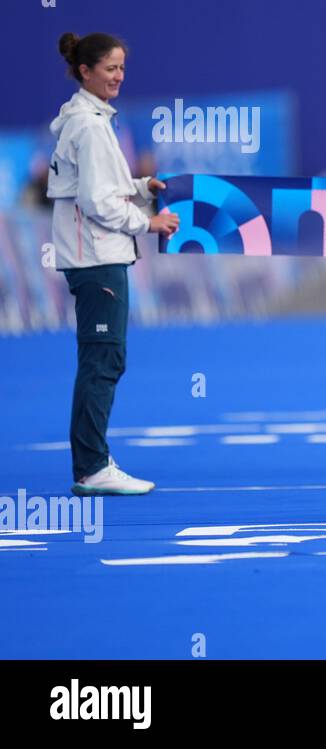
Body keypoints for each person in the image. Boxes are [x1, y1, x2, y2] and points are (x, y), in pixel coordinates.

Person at [47, 32, 179, 496]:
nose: (119, 76)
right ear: (86, 71)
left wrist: (142, 187)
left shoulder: (86, 119)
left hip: (94, 254)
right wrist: (149, 222)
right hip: (97, 255)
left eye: (122, 67)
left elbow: (99, 186)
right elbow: (98, 201)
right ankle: (91, 467)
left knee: (102, 360)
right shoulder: (88, 125)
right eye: (110, 68)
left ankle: (93, 461)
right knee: (102, 361)